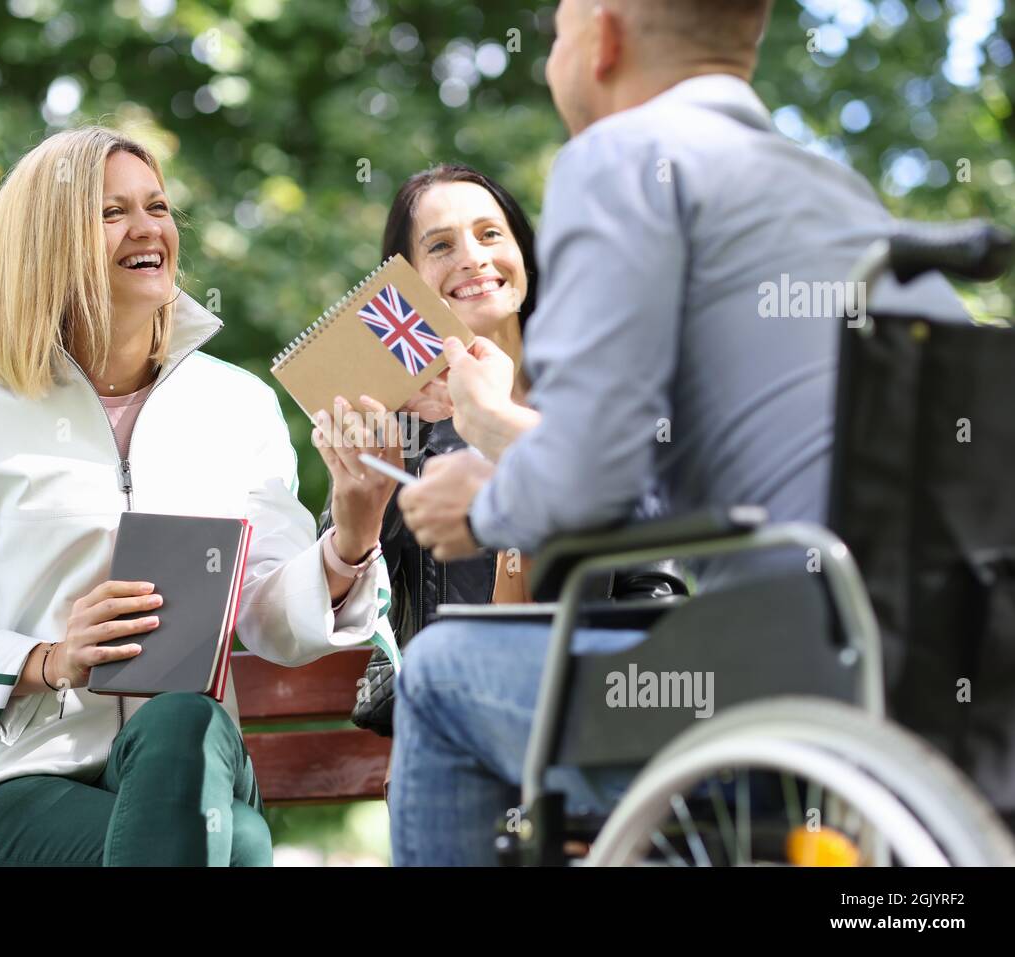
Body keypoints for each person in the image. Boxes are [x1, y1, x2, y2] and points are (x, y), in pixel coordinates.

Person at [389, 0, 966, 865]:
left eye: (557, 32)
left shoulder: (621, 159)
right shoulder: (839, 195)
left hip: (789, 690)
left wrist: (488, 491)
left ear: (604, 38)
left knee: (436, 675)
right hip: (946, 680)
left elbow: (591, 483)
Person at [0, 127, 397, 866]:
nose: (149, 228)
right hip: (3, 787)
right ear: (48, 242)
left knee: (184, 716)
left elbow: (275, 622)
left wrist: (351, 536)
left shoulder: (236, 404)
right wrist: (49, 658)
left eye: (158, 206)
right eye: (112, 213)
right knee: (237, 848)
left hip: (188, 766)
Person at [313, 163, 682, 738]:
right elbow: (327, 605)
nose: (472, 258)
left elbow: (659, 582)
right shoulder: (397, 425)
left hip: (601, 708)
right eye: (440, 245)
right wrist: (353, 521)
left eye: (490, 234)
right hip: (454, 721)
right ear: (405, 286)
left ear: (523, 255)